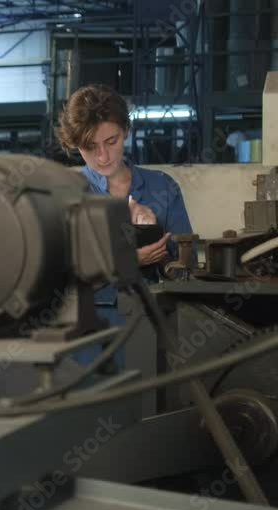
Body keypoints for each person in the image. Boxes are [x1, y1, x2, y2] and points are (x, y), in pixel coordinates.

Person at [58, 84, 196, 367]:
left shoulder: (162, 187)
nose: (103, 157)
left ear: (126, 131)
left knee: (152, 406)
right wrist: (128, 261)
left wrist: (155, 235)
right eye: (90, 147)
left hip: (154, 325)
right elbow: (60, 283)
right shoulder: (67, 195)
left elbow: (189, 272)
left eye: (112, 141)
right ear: (75, 145)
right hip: (90, 336)